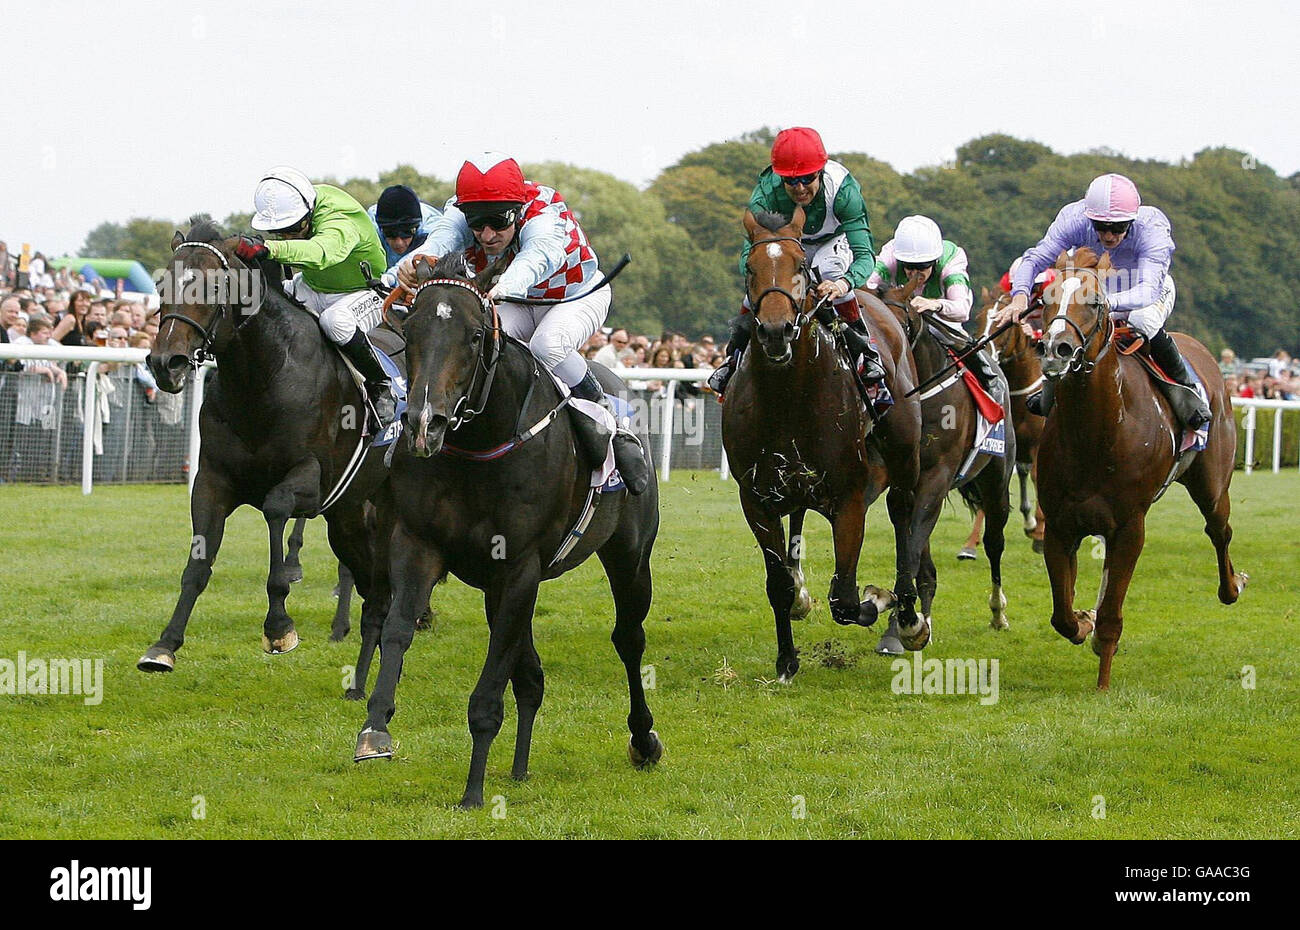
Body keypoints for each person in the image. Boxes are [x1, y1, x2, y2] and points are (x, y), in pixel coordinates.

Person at [394, 152, 649, 494]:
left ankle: (612, 422)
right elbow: (437, 245)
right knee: (480, 344)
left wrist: (504, 286)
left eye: (498, 222)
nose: (486, 235)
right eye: (477, 224)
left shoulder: (544, 211)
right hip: (515, 302)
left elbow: (536, 257)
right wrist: (407, 267)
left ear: (517, 209)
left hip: (575, 297)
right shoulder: (459, 212)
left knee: (548, 345)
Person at [993, 172, 1210, 428]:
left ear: (1132, 220)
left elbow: (1148, 291)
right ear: (1089, 218)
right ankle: (1048, 391)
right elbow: (1035, 259)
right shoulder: (1073, 218)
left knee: (1144, 319)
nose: (1108, 236)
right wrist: (1019, 297)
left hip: (1144, 292)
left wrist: (1103, 304)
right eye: (1100, 227)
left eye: (1118, 228)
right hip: (1093, 291)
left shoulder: (1152, 227)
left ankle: (1185, 390)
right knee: (1062, 321)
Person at [709, 127, 880, 396]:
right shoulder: (765, 193)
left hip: (831, 243)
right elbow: (749, 251)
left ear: (821, 171)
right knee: (757, 289)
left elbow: (865, 256)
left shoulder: (845, 191)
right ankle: (733, 358)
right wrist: (760, 273)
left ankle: (867, 354)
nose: (800, 188)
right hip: (785, 245)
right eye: (791, 181)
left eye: (807, 178)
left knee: (829, 269)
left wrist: (843, 285)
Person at [234, 165, 394, 425]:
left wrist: (269, 247)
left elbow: (322, 252)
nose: (287, 236)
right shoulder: (297, 202)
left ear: (308, 213)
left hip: (363, 292)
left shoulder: (340, 217)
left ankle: (381, 385)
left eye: (292, 228)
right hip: (312, 285)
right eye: (279, 232)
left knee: (335, 321)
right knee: (265, 304)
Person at [866, 215, 999, 387]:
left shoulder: (951, 261)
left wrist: (934, 304)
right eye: (908, 266)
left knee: (961, 341)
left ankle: (991, 384)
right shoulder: (891, 255)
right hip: (902, 313)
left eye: (922, 267)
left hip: (942, 319)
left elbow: (963, 309)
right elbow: (866, 286)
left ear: (935, 261)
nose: (915, 274)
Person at [368, 184, 442, 271]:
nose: (399, 243)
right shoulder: (370, 224)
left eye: (407, 232)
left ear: (417, 227)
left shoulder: (434, 229)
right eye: (390, 233)